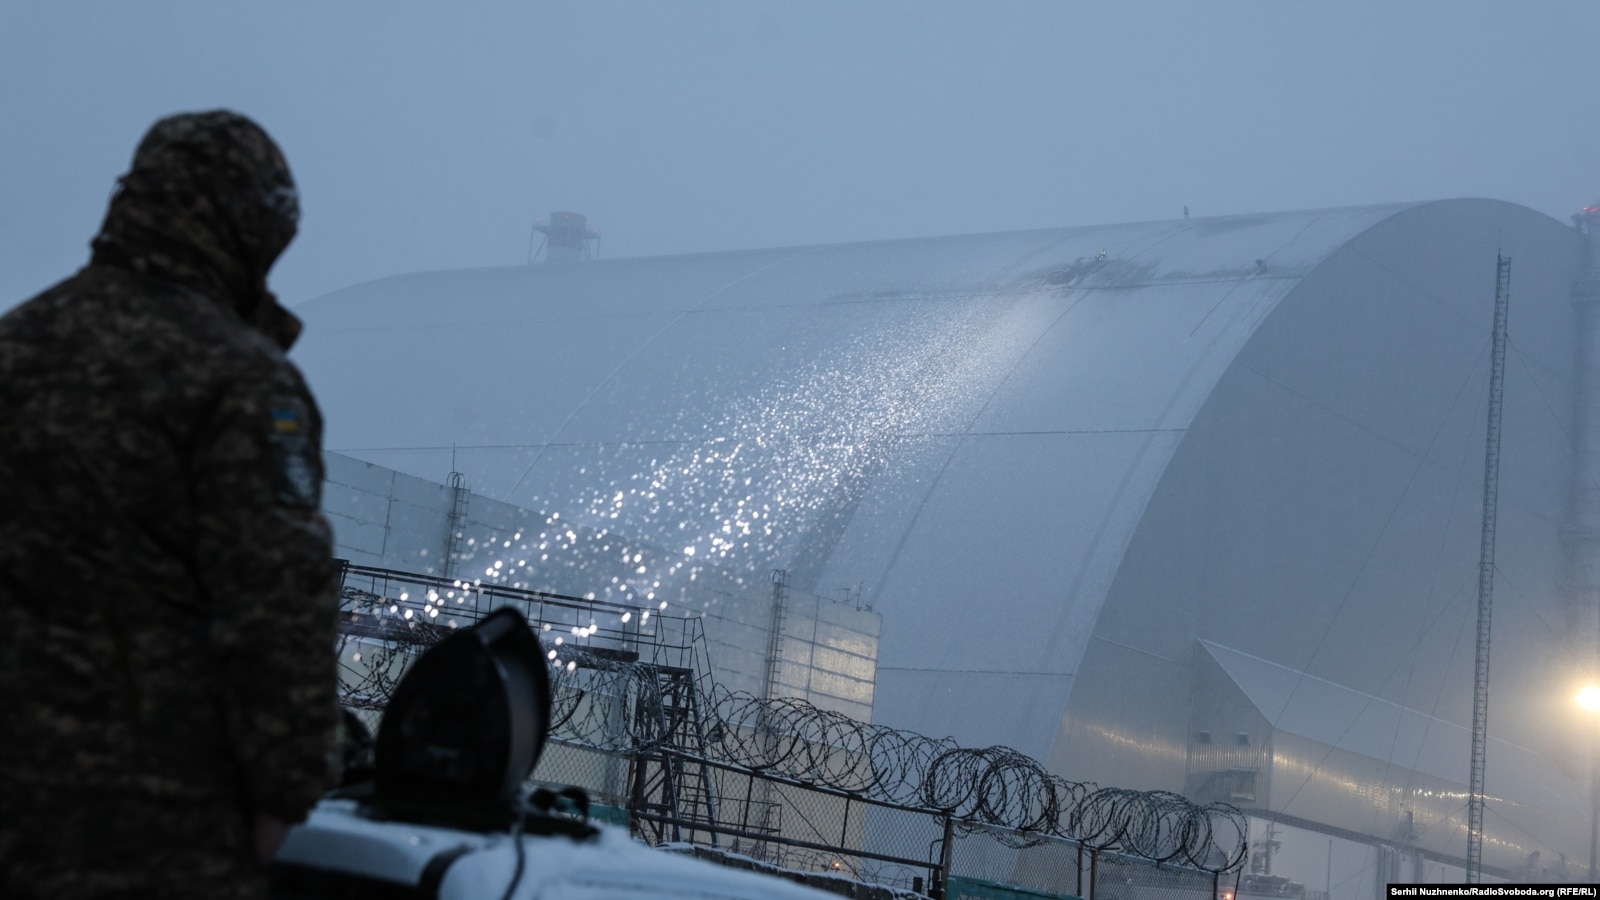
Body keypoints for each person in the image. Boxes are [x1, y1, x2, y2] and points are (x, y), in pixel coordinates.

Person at [0, 111, 338, 899]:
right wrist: (286, 789)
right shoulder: (240, 381)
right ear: (249, 228)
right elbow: (276, 610)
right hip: (144, 822)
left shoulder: (15, 346)